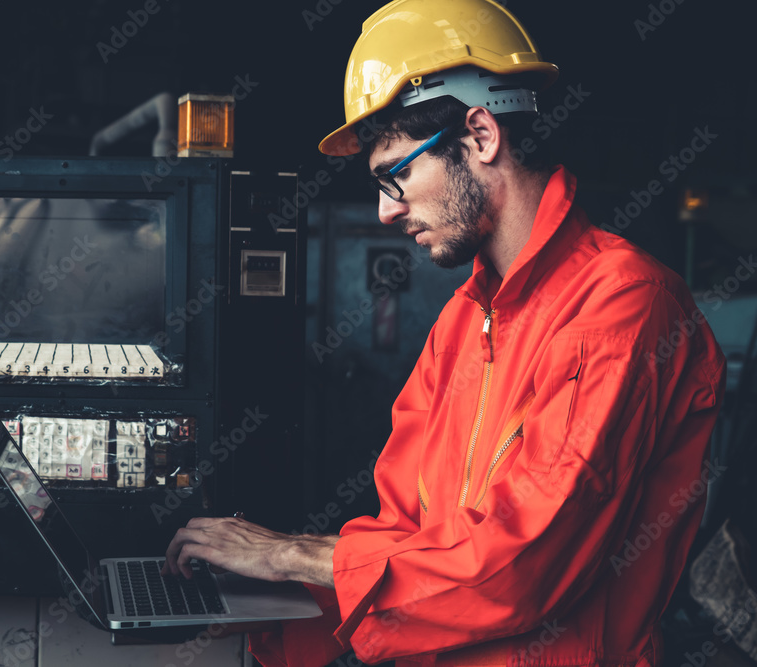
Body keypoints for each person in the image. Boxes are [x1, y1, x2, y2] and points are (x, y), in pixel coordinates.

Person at [162, 1, 726, 665]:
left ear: (480, 135)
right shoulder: (465, 319)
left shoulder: (623, 307)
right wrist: (260, 601)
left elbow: (524, 567)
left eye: (396, 173)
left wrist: (288, 553)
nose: (384, 210)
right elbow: (403, 535)